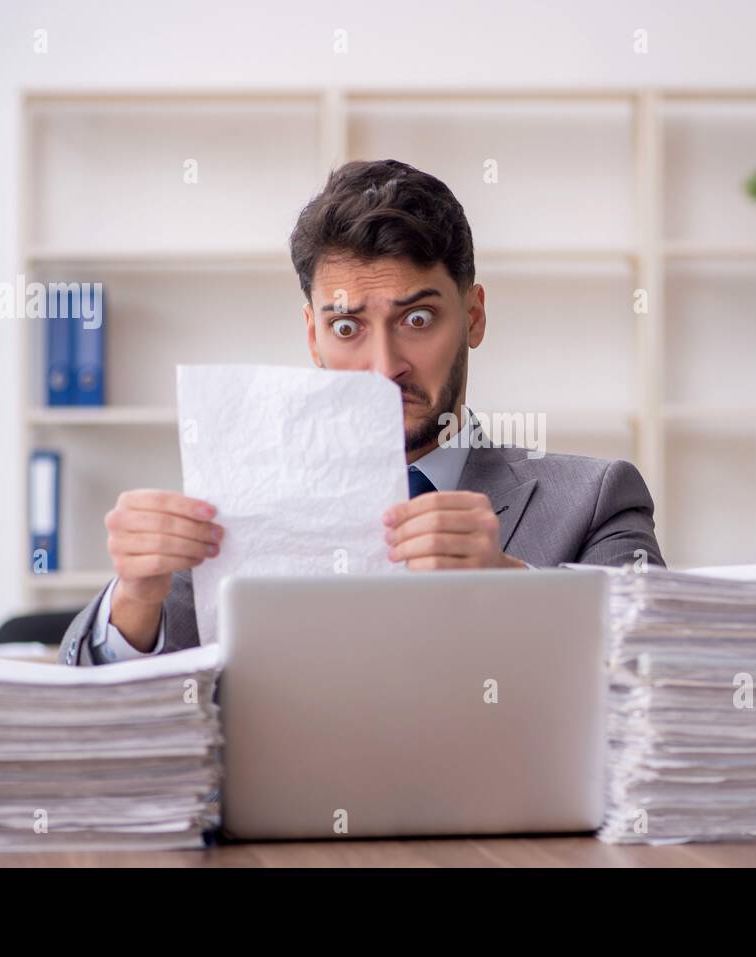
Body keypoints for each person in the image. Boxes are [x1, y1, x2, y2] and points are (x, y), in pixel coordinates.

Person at [59, 159, 663, 666]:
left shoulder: (596, 498)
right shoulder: (238, 506)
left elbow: (662, 672)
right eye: (347, 326)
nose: (383, 366)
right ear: (313, 336)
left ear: (473, 316)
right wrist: (136, 596)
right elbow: (87, 704)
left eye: (417, 320)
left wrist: (512, 587)